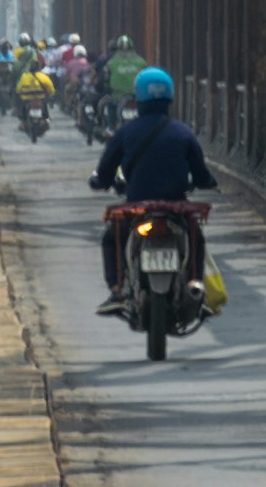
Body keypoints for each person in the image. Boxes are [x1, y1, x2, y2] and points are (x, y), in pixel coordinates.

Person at [90, 65, 215, 315]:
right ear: (169, 97)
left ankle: (117, 289)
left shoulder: (125, 132)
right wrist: (206, 182)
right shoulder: (183, 132)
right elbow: (201, 174)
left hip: (138, 207)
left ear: (137, 99)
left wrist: (100, 182)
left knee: (112, 236)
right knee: (196, 237)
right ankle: (194, 284)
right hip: (175, 208)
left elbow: (105, 171)